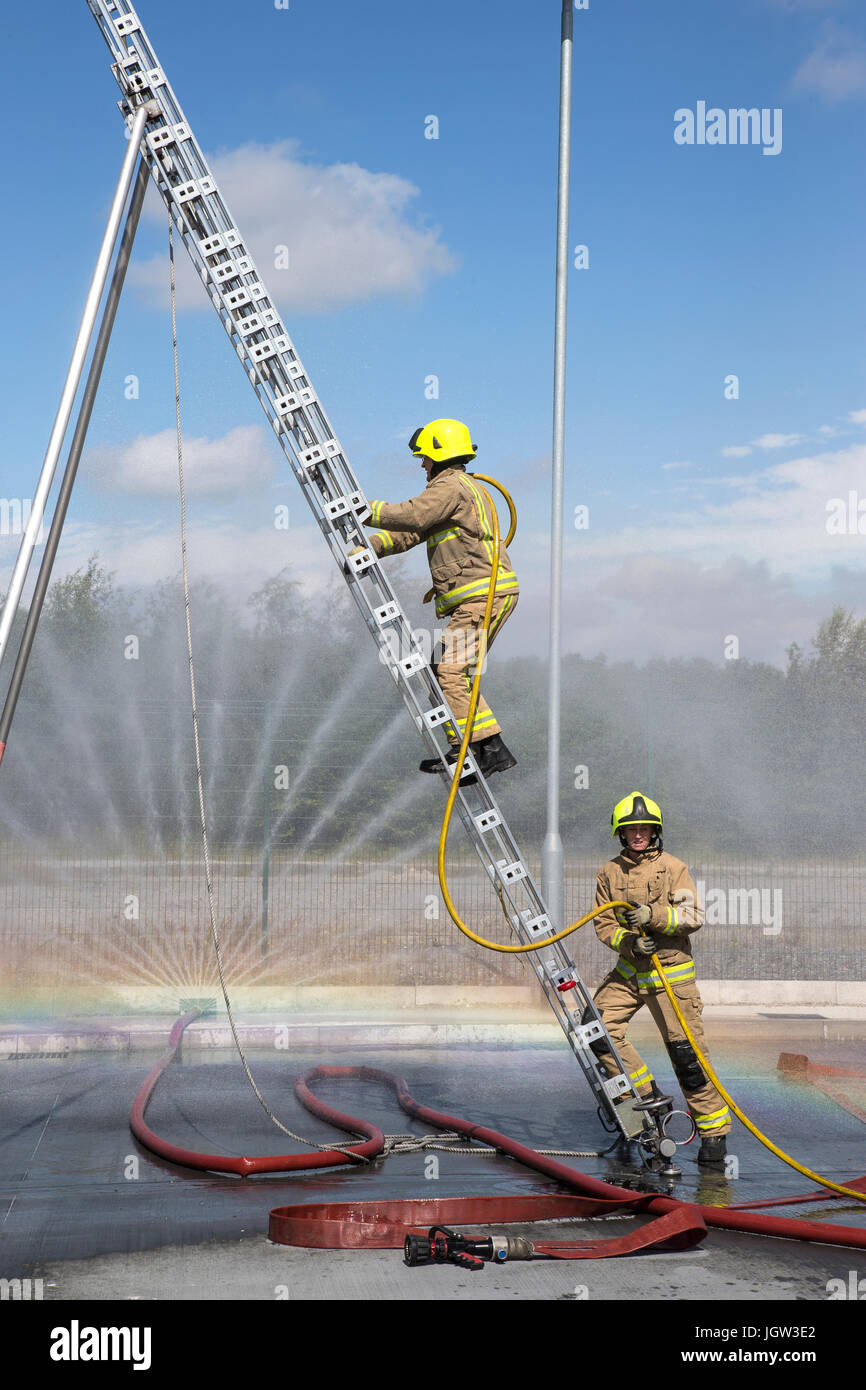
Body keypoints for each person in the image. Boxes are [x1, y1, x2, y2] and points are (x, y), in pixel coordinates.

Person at [363, 418, 519, 778]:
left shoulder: (451, 487)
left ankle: (473, 751)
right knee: (448, 672)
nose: (422, 465)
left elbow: (414, 514)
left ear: (438, 454)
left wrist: (365, 509)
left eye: (424, 458)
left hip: (481, 598)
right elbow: (411, 533)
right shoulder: (454, 492)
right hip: (483, 598)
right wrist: (364, 548)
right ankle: (489, 749)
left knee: (449, 671)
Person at [591, 791, 731, 1168]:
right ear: (620, 833)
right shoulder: (609, 872)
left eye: (644, 828)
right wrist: (631, 941)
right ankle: (646, 1097)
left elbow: (692, 916)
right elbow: (603, 923)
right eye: (630, 828)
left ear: (655, 831)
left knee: (687, 1057)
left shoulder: (673, 868)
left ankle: (714, 1135)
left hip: (670, 974)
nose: (638, 834)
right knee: (596, 1031)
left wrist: (652, 915)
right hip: (631, 971)